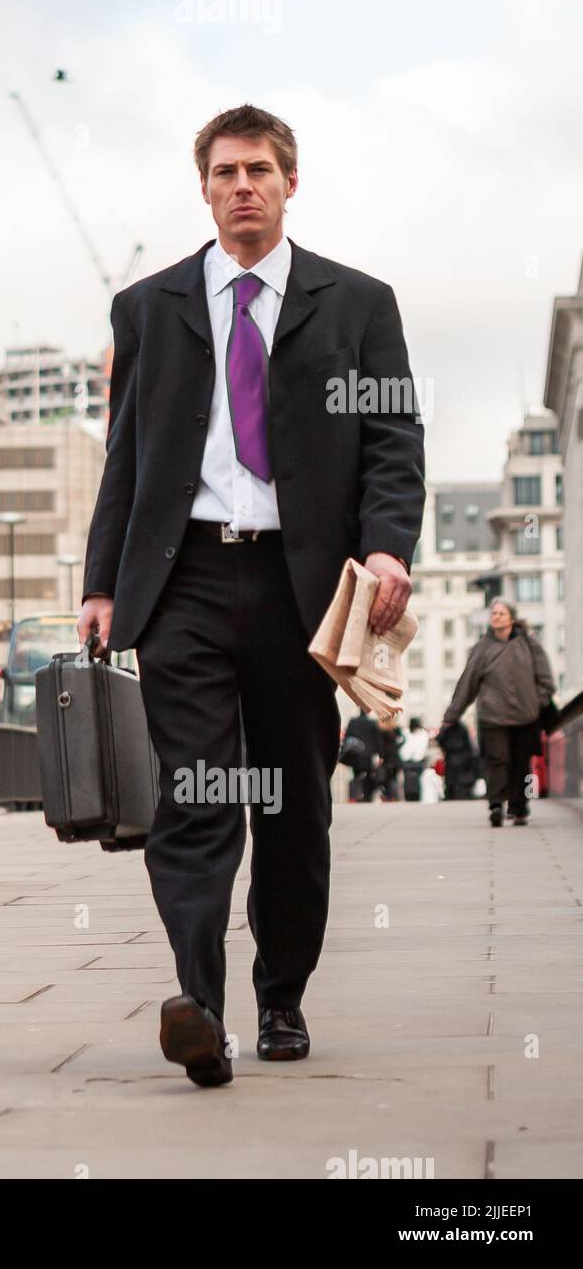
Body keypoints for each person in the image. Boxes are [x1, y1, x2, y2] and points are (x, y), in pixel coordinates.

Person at [78, 105, 425, 1086]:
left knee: (291, 803)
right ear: (203, 186)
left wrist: (388, 548)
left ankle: (280, 997)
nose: (242, 185)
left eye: (260, 170)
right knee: (195, 795)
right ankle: (197, 1000)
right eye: (225, 170)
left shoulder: (357, 305)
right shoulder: (148, 308)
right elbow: (128, 453)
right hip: (181, 578)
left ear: (289, 183)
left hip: (299, 588)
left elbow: (394, 444)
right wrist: (102, 581)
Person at [442, 599, 554, 827]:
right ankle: (496, 805)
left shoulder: (530, 645)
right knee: (498, 760)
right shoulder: (482, 648)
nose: (497, 617)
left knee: (521, 763)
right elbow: (468, 684)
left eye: (502, 613)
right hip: (493, 716)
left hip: (526, 716)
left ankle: (519, 807)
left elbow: (546, 681)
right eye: (494, 613)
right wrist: (451, 716)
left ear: (512, 618)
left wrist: (536, 701)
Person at [344, 709, 384, 802]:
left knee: (356, 774)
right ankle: (367, 796)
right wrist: (381, 755)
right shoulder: (373, 723)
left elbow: (347, 737)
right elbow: (378, 740)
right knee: (369, 775)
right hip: (369, 754)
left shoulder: (353, 721)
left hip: (356, 753)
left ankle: (355, 795)